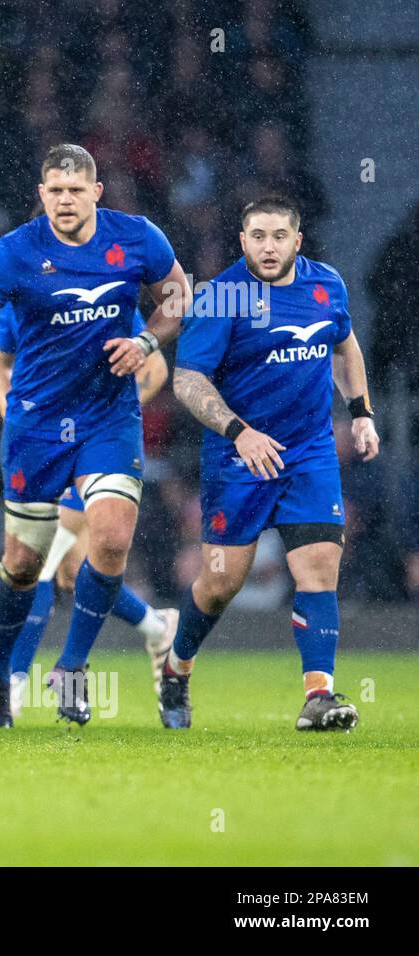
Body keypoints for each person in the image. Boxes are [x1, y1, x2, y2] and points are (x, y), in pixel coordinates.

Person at [0, 143, 192, 727]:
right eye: (55, 190)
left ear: (97, 192)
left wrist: (149, 342)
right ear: (41, 194)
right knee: (26, 565)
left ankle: (71, 667)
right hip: (35, 426)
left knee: (107, 540)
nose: (65, 200)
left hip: (107, 418)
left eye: (76, 189)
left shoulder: (138, 239)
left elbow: (178, 297)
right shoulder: (16, 254)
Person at [164, 196, 379, 731]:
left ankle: (318, 696)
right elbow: (188, 380)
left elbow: (344, 346)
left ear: (297, 240)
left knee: (319, 568)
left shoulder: (326, 284)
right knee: (220, 585)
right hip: (238, 458)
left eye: (279, 236)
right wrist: (240, 432)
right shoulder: (221, 297)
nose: (268, 246)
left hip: (308, 452)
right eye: (257, 236)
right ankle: (176, 667)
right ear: (243, 241)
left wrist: (362, 413)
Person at [0, 301, 177, 717]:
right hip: (43, 447)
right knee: (70, 573)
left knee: (44, 562)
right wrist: (15, 413)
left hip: (93, 451)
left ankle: (13, 686)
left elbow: (155, 368)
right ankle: (157, 629)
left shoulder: (96, 301)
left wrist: (107, 414)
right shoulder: (17, 303)